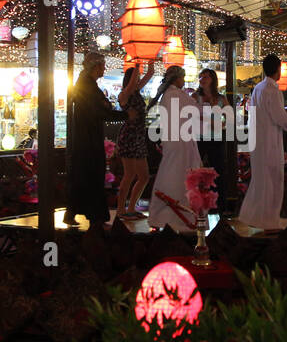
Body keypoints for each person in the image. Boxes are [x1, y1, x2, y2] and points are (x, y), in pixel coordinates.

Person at [238, 54, 287, 231]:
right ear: (277, 69)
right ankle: (269, 219)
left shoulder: (258, 89)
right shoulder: (272, 90)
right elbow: (280, 119)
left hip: (258, 141)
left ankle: (253, 216)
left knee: (261, 180)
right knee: (273, 180)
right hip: (270, 142)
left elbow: (261, 113)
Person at [65, 52, 122, 227]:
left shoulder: (85, 85)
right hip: (88, 139)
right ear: (95, 67)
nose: (104, 68)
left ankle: (78, 213)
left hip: (85, 138)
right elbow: (100, 111)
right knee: (91, 177)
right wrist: (125, 115)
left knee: (84, 177)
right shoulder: (88, 87)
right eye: (102, 65)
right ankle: (95, 216)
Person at [148, 65, 203, 233]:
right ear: (177, 79)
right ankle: (179, 214)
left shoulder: (167, 95)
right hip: (181, 143)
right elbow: (197, 110)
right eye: (182, 77)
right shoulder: (177, 95)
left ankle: (162, 214)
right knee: (179, 176)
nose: (184, 80)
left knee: (169, 173)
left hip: (172, 142)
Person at [115, 61, 155, 218]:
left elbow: (149, 75)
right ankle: (120, 209)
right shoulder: (124, 95)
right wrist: (137, 64)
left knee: (144, 176)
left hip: (138, 136)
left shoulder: (136, 91)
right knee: (129, 174)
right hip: (130, 136)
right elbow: (132, 83)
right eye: (135, 77)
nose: (138, 80)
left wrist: (150, 60)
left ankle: (131, 207)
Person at [192, 68, 229, 173]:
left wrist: (221, 124)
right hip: (199, 138)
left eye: (205, 77)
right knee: (195, 168)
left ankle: (219, 189)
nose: (201, 79)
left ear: (213, 80)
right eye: (200, 77)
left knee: (218, 169)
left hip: (216, 138)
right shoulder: (195, 97)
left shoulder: (221, 98)